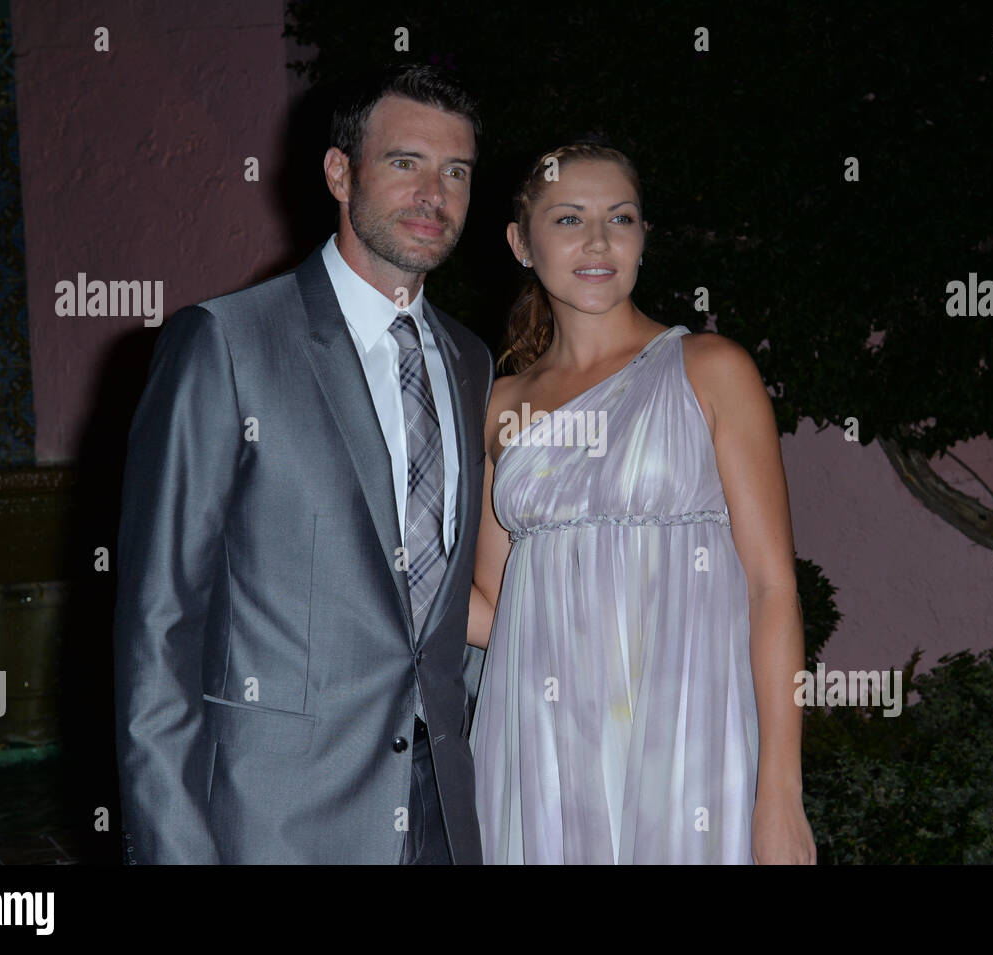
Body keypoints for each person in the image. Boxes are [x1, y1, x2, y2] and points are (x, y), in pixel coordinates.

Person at [113, 63, 492, 864]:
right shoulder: (226, 343)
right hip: (275, 824)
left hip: (441, 818)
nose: (435, 193)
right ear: (338, 171)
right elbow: (158, 628)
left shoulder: (469, 360)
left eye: (456, 171)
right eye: (405, 162)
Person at [466, 142, 816, 864]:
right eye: (568, 219)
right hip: (546, 748)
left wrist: (780, 793)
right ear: (520, 243)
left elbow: (772, 586)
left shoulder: (712, 370)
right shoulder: (499, 404)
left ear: (643, 238)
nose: (598, 241)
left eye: (619, 218)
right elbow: (495, 609)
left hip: (690, 739)